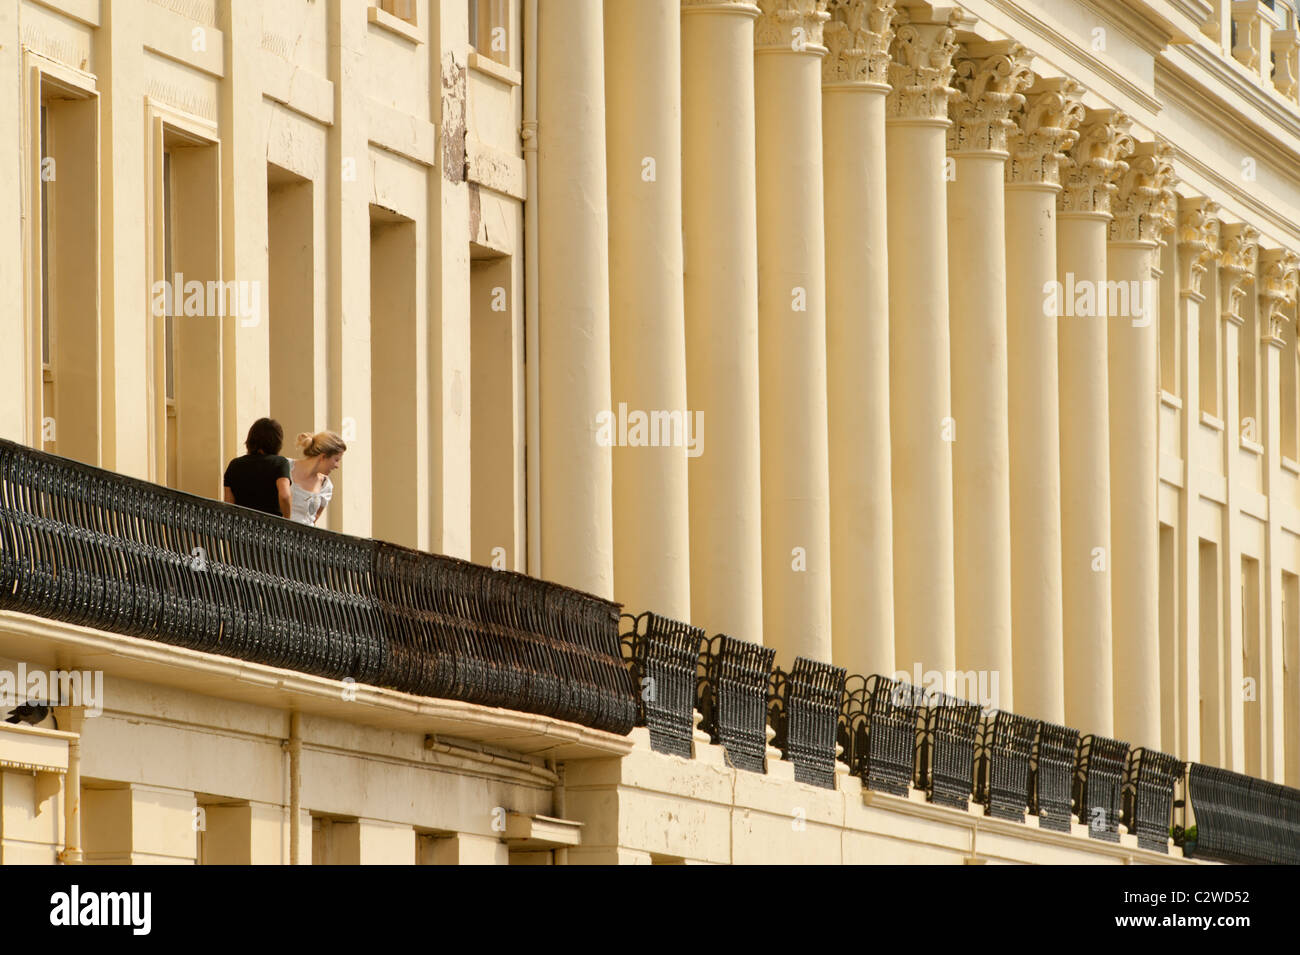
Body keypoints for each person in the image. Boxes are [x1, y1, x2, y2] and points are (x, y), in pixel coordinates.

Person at [223, 418, 292, 518]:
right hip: (270, 528)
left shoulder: (234, 464)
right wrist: (287, 523)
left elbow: (229, 504)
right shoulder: (280, 463)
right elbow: (285, 496)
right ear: (277, 441)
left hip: (242, 527)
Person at [289, 431, 346, 526]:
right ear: (323, 457)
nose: (337, 466)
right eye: (336, 460)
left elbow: (314, 518)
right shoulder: (286, 467)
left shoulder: (325, 486)